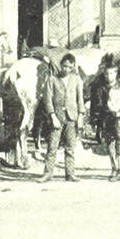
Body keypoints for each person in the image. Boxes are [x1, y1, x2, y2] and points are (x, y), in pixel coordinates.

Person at [39, 52, 83, 183]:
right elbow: (47, 99)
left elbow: (80, 99)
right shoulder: (52, 79)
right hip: (57, 118)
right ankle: (47, 174)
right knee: (52, 147)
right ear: (60, 65)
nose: (66, 69)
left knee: (70, 148)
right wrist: (52, 116)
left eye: (70, 67)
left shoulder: (76, 80)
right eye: (64, 66)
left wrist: (80, 116)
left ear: (73, 67)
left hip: (72, 117)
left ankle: (70, 173)